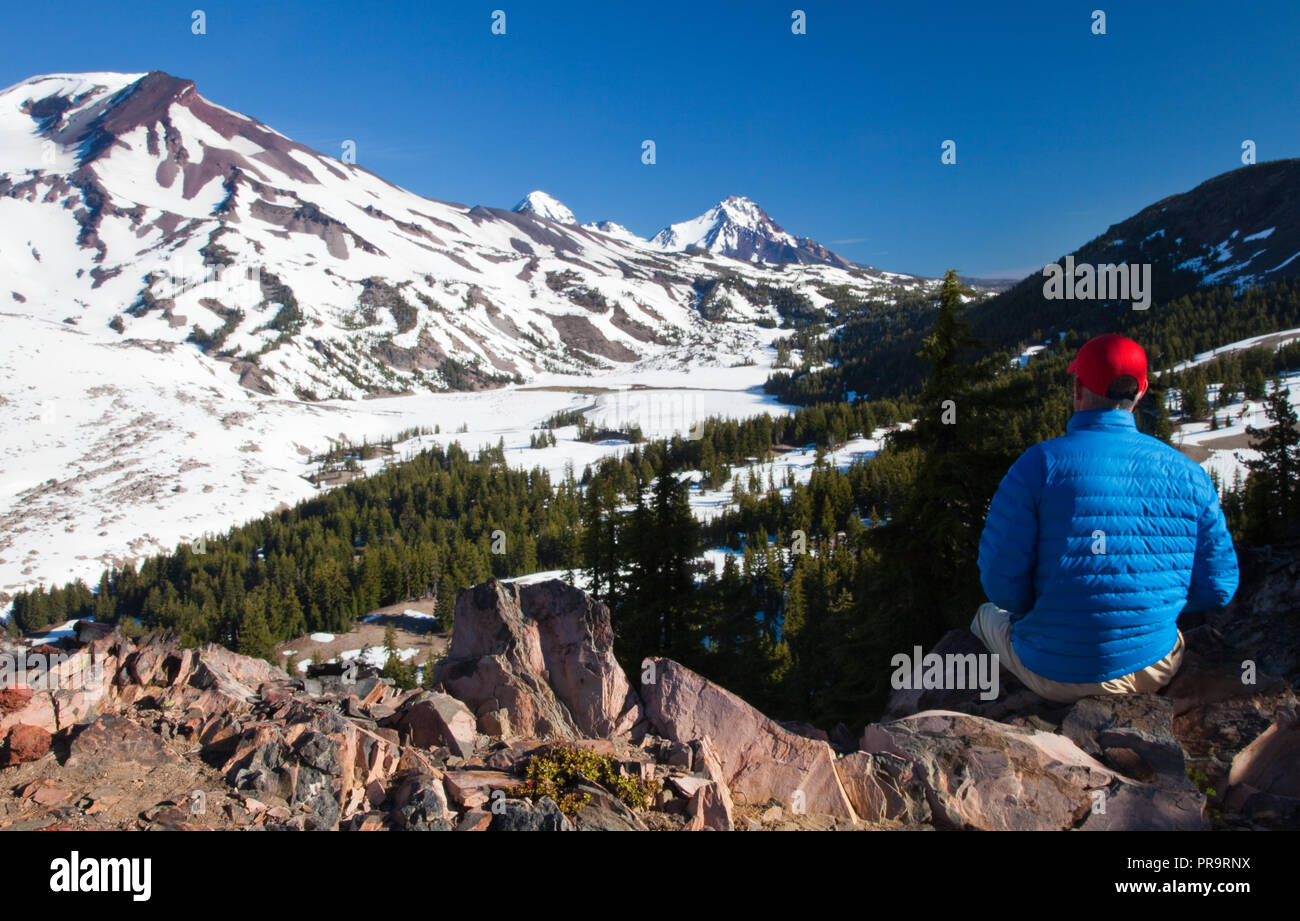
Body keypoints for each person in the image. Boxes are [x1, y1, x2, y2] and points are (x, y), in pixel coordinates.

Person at [972, 333, 1238, 703]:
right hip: (1154, 666)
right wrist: (1151, 605)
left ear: (1078, 388)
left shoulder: (1037, 465)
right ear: (1141, 391)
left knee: (985, 614)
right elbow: (1219, 586)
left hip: (1053, 675)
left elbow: (1002, 586)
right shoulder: (1188, 473)